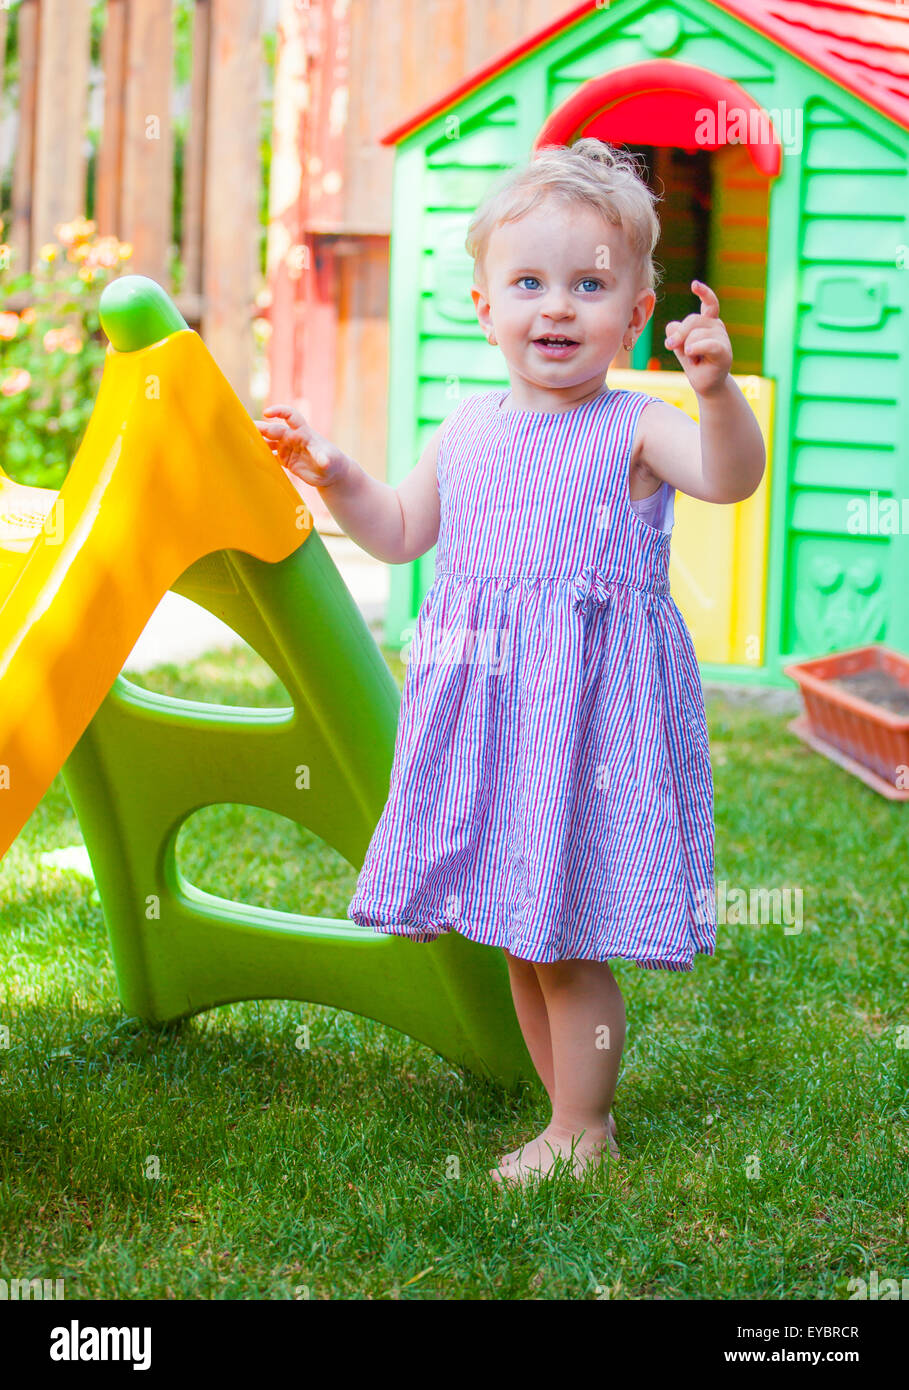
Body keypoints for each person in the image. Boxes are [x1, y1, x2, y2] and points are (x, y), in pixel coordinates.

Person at [255, 138, 766, 1186]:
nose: (558, 307)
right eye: (529, 283)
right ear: (485, 306)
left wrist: (715, 390)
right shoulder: (468, 429)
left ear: (634, 311)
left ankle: (584, 1128)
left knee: (567, 931)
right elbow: (398, 531)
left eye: (590, 284)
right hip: (493, 725)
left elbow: (729, 477)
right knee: (521, 930)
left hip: (588, 728)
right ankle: (562, 1115)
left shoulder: (638, 429)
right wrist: (333, 473)